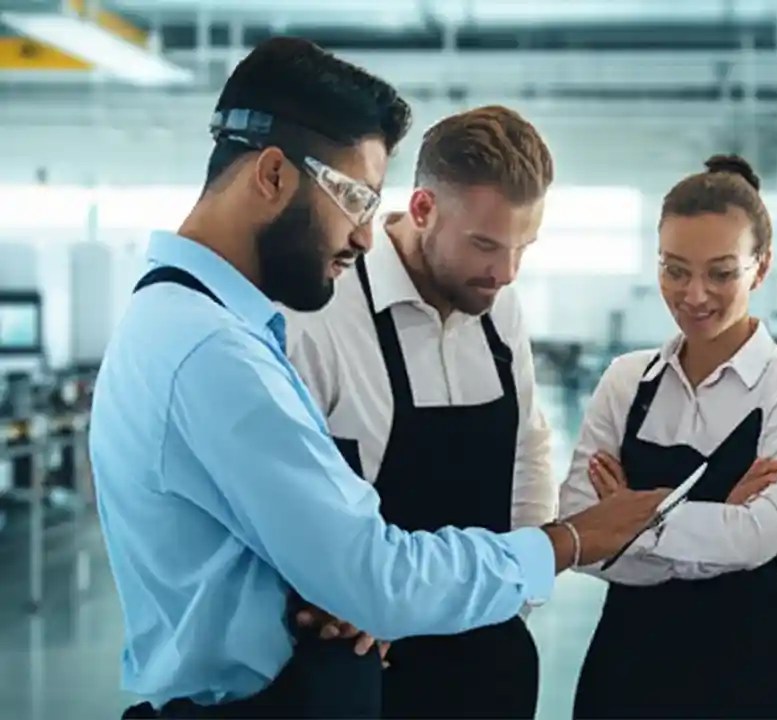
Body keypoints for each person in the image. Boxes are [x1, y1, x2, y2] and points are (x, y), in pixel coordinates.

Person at [90, 36, 669, 719]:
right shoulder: (213, 352)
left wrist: (349, 583)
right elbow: (374, 575)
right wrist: (571, 540)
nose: (365, 235)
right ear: (273, 176)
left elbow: (337, 550)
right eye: (352, 198)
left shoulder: (192, 320)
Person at [280, 105, 556, 719]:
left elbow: (528, 452)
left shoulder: (501, 310)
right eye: (485, 244)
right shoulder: (323, 318)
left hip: (492, 658)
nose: (506, 272)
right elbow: (287, 507)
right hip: (369, 673)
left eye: (523, 247)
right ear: (424, 209)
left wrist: (521, 594)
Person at [559, 155, 777, 719]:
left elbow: (760, 534)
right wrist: (715, 531)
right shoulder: (627, 380)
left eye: (722, 272)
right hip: (628, 671)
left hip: (752, 675)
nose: (695, 294)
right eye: (675, 269)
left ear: (761, 267)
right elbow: (576, 532)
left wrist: (629, 521)